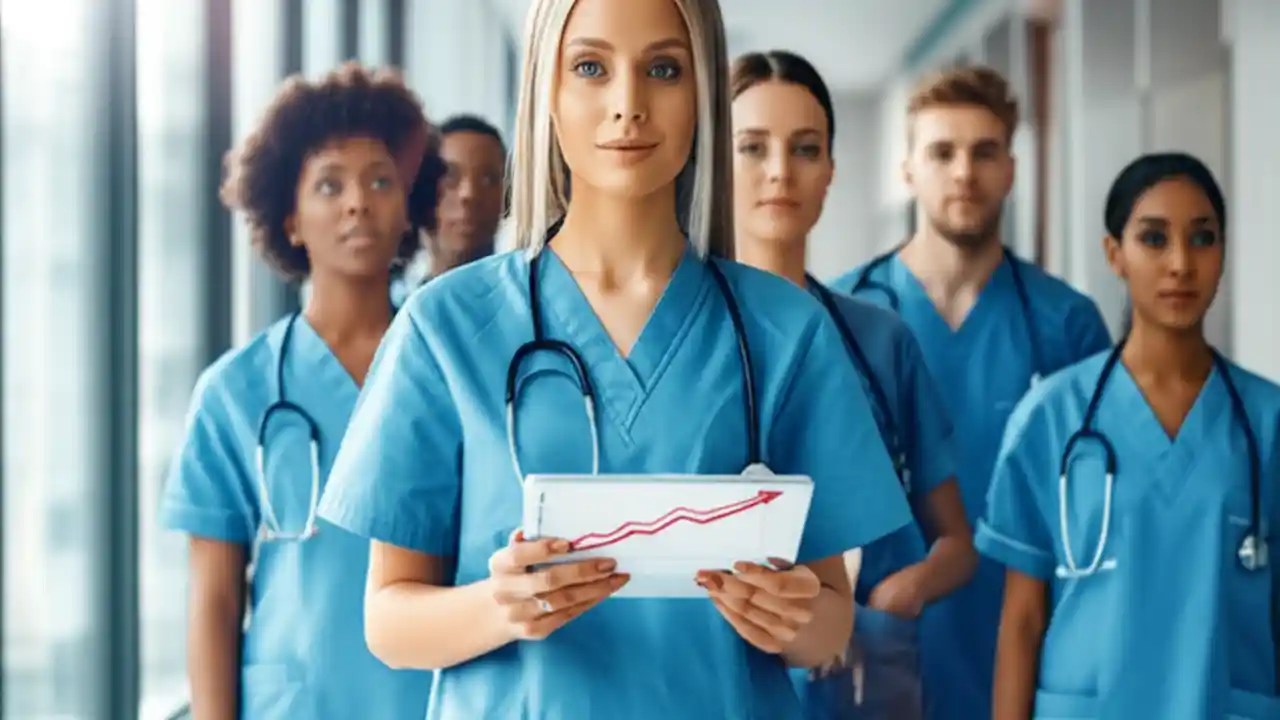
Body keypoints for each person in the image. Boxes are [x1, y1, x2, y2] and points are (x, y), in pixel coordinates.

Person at [315, 0, 912, 718]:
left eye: (663, 69)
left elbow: (828, 628)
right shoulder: (446, 326)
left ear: (703, 98)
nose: (628, 106)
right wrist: (500, 607)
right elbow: (389, 622)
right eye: (591, 68)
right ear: (548, 94)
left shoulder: (785, 331)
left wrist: (792, 618)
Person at [160, 64, 441, 719]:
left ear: (409, 209)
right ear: (288, 218)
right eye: (329, 184)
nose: (357, 202)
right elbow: (215, 598)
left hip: (429, 696)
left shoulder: (446, 370)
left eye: (381, 180)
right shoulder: (235, 392)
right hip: (298, 701)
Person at [831, 65, 1112, 719]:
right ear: (907, 169)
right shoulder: (844, 312)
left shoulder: (1066, 324)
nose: (964, 172)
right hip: (879, 643)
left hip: (1020, 645)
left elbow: (1098, 513)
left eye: (984, 152)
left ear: (1011, 169)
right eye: (942, 152)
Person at [979, 152, 1280, 719]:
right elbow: (1021, 621)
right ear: (1114, 254)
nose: (1180, 264)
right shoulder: (1052, 417)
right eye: (1153, 238)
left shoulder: (1267, 422)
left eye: (1202, 238)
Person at [731, 50, 977, 719]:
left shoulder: (879, 340)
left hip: (866, 682)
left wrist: (898, 594)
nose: (781, 170)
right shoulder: (675, 338)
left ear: (832, 169)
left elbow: (955, 542)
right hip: (728, 675)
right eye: (752, 147)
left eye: (805, 148)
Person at [399, 114, 507, 289]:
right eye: (450, 177)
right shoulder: (392, 308)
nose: (469, 194)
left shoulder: (529, 308)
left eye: (488, 179)